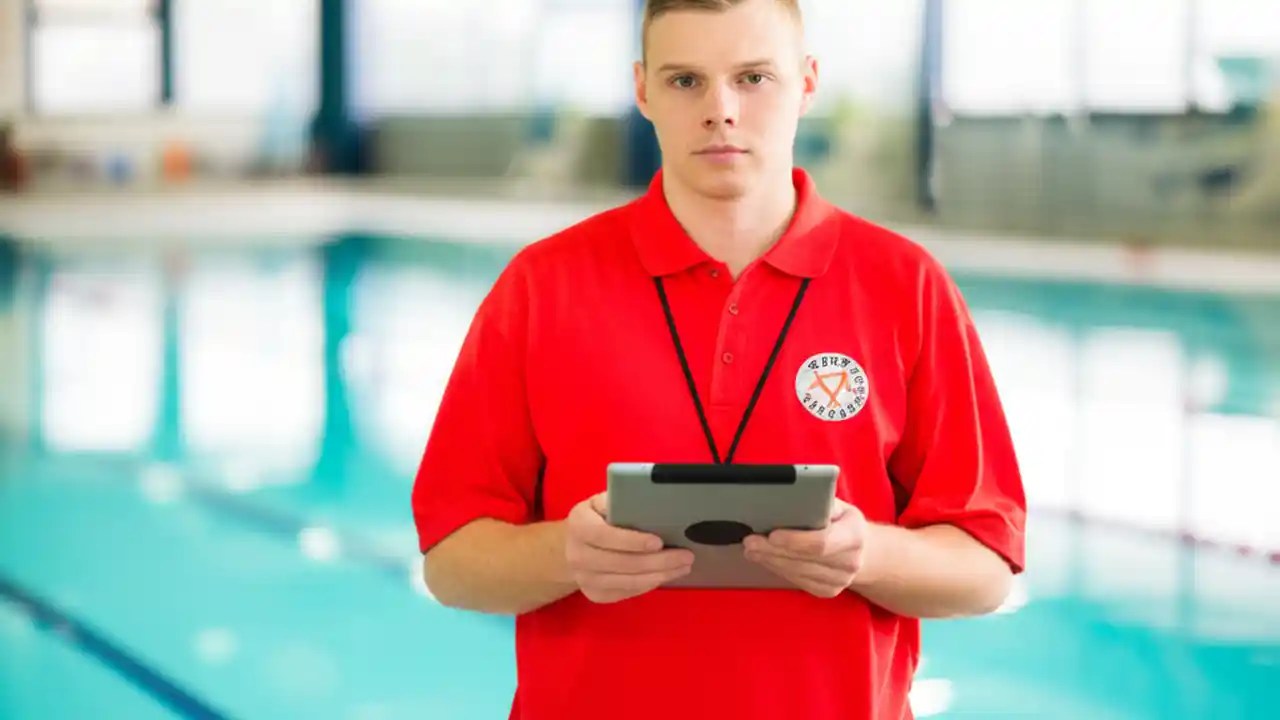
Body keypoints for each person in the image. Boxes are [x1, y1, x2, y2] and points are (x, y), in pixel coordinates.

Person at [411, 1, 1027, 718]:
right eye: (685, 82)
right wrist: (564, 557)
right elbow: (451, 563)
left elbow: (986, 571)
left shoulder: (905, 287)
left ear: (807, 82)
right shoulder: (543, 286)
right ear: (642, 90)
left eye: (754, 77)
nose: (721, 111)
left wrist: (869, 555)